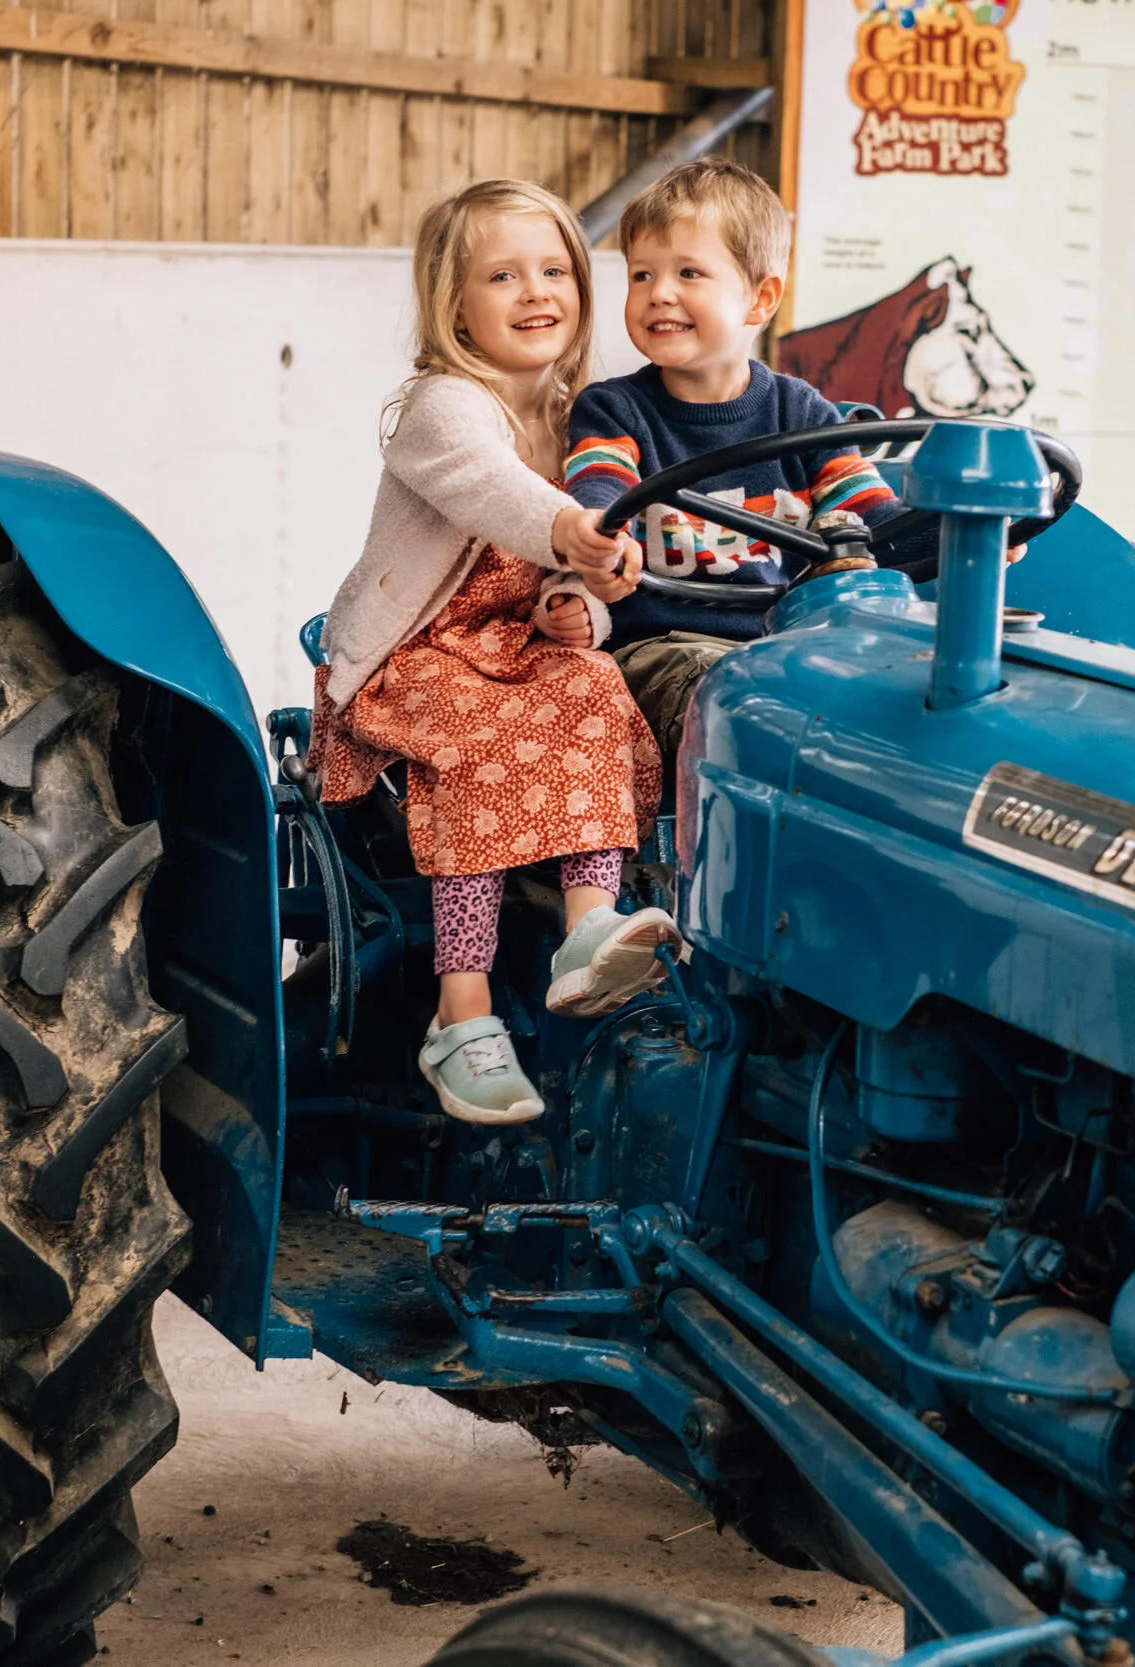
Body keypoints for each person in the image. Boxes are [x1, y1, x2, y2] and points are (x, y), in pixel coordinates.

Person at [309, 178, 685, 1128]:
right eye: (504, 276)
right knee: (481, 744)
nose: (536, 292)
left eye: (554, 269)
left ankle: (588, 928)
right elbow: (495, 495)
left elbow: (577, 583)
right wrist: (576, 530)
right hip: (415, 657)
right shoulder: (442, 407)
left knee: (598, 689)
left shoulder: (584, 416)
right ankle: (461, 1012)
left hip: (516, 649)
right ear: (455, 306)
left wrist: (581, 614)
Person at [553, 159, 901, 782]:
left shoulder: (802, 413)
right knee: (723, 696)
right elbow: (602, 478)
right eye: (642, 274)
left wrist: (963, 531)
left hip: (789, 650)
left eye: (689, 272)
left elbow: (875, 516)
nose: (659, 292)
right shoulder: (614, 407)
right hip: (660, 651)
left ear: (759, 299)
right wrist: (599, 530)